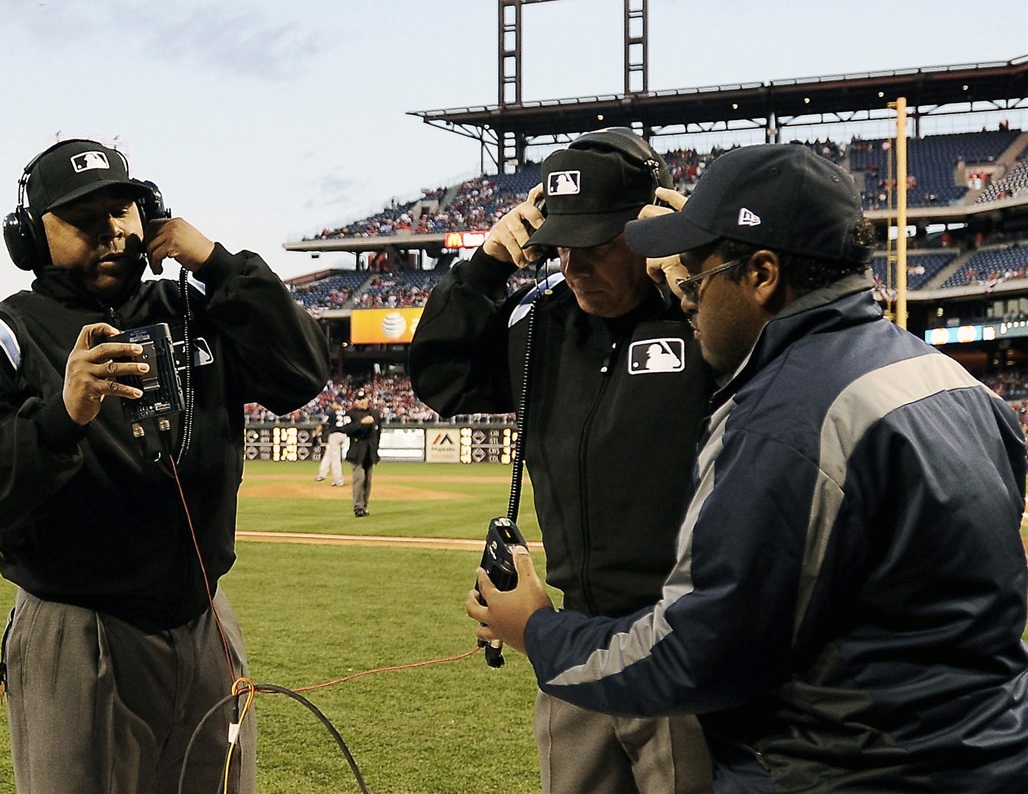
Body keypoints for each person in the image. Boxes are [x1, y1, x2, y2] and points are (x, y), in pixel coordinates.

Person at [468, 143, 1028, 792]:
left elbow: (694, 656)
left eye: (697, 275)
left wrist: (536, 629)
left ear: (761, 274)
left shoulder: (785, 416)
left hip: (856, 770)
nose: (685, 298)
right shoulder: (952, 383)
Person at [0, 138, 330, 793]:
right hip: (77, 633)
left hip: (204, 621)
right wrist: (61, 416)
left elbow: (304, 374)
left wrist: (221, 265)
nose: (112, 230)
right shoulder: (5, 337)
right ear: (33, 238)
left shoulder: (197, 305)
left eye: (125, 211)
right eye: (84, 219)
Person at [410, 127, 715, 793]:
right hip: (568, 633)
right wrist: (488, 264)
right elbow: (438, 378)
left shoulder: (705, 320)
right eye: (562, 246)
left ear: (647, 229)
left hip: (684, 638)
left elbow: (787, 371)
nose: (574, 266)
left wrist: (695, 275)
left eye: (597, 244)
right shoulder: (540, 323)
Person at [344, 388, 381, 517]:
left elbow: (378, 433)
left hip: (370, 452)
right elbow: (347, 429)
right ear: (355, 402)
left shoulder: (375, 413)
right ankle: (358, 507)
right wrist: (361, 423)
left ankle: (364, 506)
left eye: (363, 399)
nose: (361, 402)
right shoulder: (350, 414)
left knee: (368, 481)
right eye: (358, 400)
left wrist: (376, 449)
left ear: (368, 399)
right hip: (357, 451)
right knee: (359, 479)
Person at [314, 397, 349, 486]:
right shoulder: (346, 412)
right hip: (345, 435)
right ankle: (322, 474)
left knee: (335, 459)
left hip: (335, 435)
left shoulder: (331, 412)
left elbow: (323, 424)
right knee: (329, 453)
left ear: (335, 403)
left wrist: (316, 433)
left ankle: (338, 481)